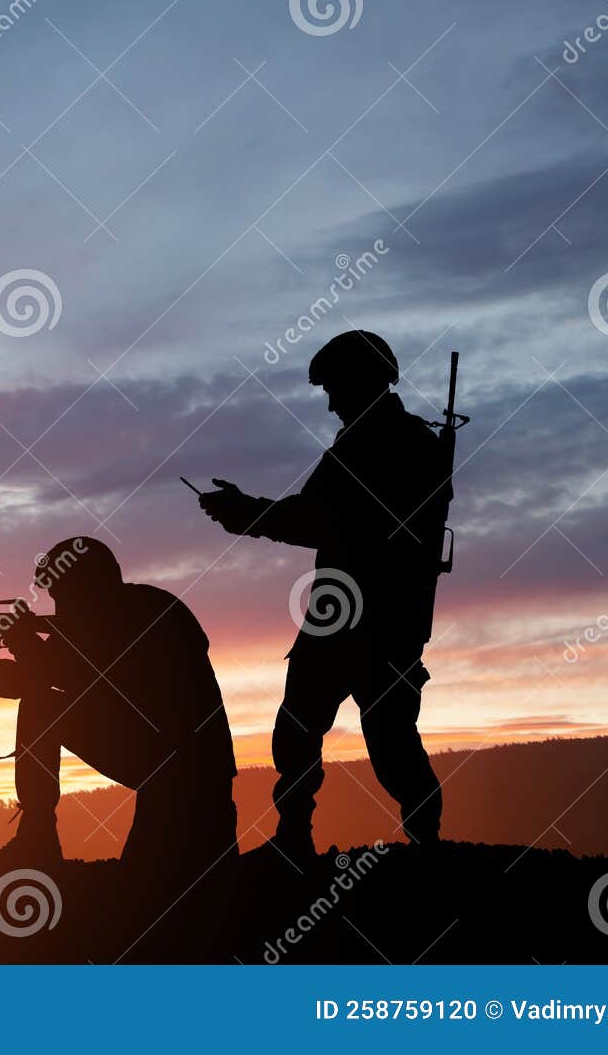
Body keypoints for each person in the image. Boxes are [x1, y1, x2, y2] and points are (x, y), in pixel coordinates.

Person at [197, 330, 444, 856]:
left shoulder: (379, 445)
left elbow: (317, 521)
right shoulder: (394, 442)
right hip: (363, 616)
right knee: (319, 730)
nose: (330, 402)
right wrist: (249, 512)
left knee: (378, 739)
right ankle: (309, 839)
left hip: (365, 618)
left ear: (362, 380)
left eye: (334, 387)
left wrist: (246, 513)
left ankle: (414, 848)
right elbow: (320, 519)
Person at [0, 537, 237, 877]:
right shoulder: (109, 615)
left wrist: (21, 641)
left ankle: (37, 839)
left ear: (85, 587)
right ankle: (36, 836)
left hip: (185, 767)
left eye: (59, 594)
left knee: (43, 708)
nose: (56, 604)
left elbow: (61, 674)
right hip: (167, 765)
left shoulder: (140, 614)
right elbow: (28, 679)